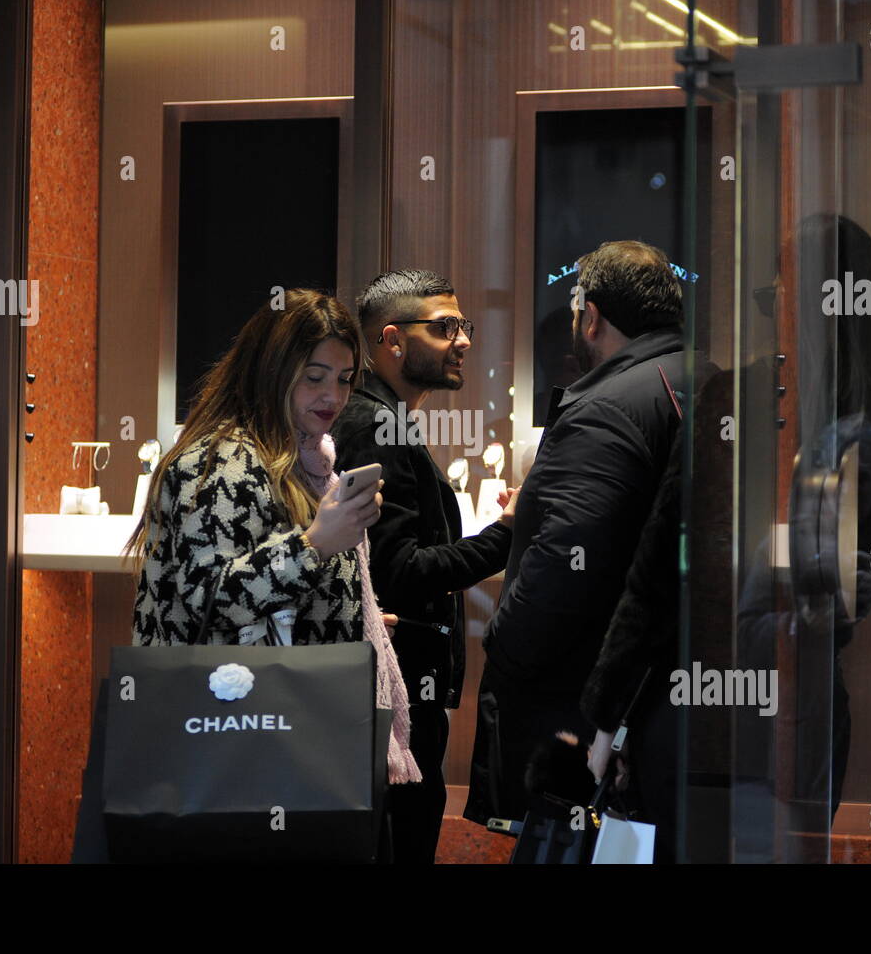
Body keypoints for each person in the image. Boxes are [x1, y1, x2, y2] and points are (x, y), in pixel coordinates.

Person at [125, 288, 420, 787]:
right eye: (314, 377)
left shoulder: (303, 459)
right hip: (236, 731)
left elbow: (273, 589)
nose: (334, 396)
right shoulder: (221, 462)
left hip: (280, 727)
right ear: (271, 369)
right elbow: (207, 599)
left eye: (345, 380)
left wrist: (350, 613)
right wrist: (316, 547)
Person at [464, 240, 687, 826]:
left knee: (555, 843)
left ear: (590, 317)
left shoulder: (607, 406)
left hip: (577, 694)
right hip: (657, 690)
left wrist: (502, 649)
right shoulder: (705, 380)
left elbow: (566, 567)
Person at [331, 269, 516, 863]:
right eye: (443, 327)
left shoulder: (386, 419)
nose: (462, 339)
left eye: (463, 325)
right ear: (391, 340)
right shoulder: (374, 425)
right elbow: (400, 573)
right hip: (393, 695)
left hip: (402, 690)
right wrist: (506, 537)